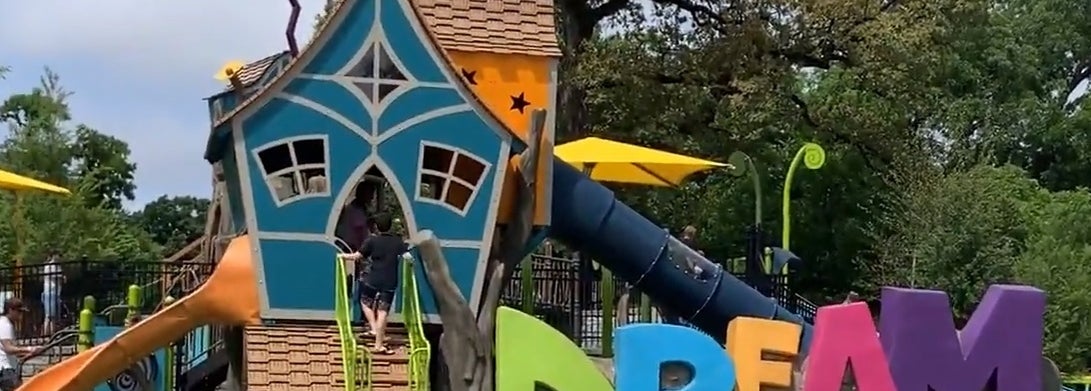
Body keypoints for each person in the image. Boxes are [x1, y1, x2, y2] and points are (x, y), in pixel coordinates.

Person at [357, 213, 409, 355]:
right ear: (390, 226)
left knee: (365, 302)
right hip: (390, 281)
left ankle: (373, 328)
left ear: (376, 227)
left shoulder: (372, 241)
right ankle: (379, 345)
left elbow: (358, 256)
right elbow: (408, 257)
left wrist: (343, 256)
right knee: (383, 312)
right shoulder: (397, 241)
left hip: (374, 279)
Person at [336, 183, 374, 302]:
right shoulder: (351, 210)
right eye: (370, 194)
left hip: (361, 250)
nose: (372, 197)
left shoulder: (364, 210)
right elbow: (348, 231)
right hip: (349, 248)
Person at [0, 298, 38, 390]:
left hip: (7, 368)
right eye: (19, 311)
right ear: (10, 310)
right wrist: (29, 349)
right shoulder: (5, 325)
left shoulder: (5, 323)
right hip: (6, 369)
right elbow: (8, 348)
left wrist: (27, 353)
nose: (20, 315)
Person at [41, 251, 64, 334]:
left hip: (56, 292)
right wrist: (61, 276)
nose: (59, 257)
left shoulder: (57, 266)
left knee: (54, 316)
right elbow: (53, 275)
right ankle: (46, 334)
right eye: (58, 255)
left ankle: (52, 334)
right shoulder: (49, 266)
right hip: (50, 292)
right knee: (49, 315)